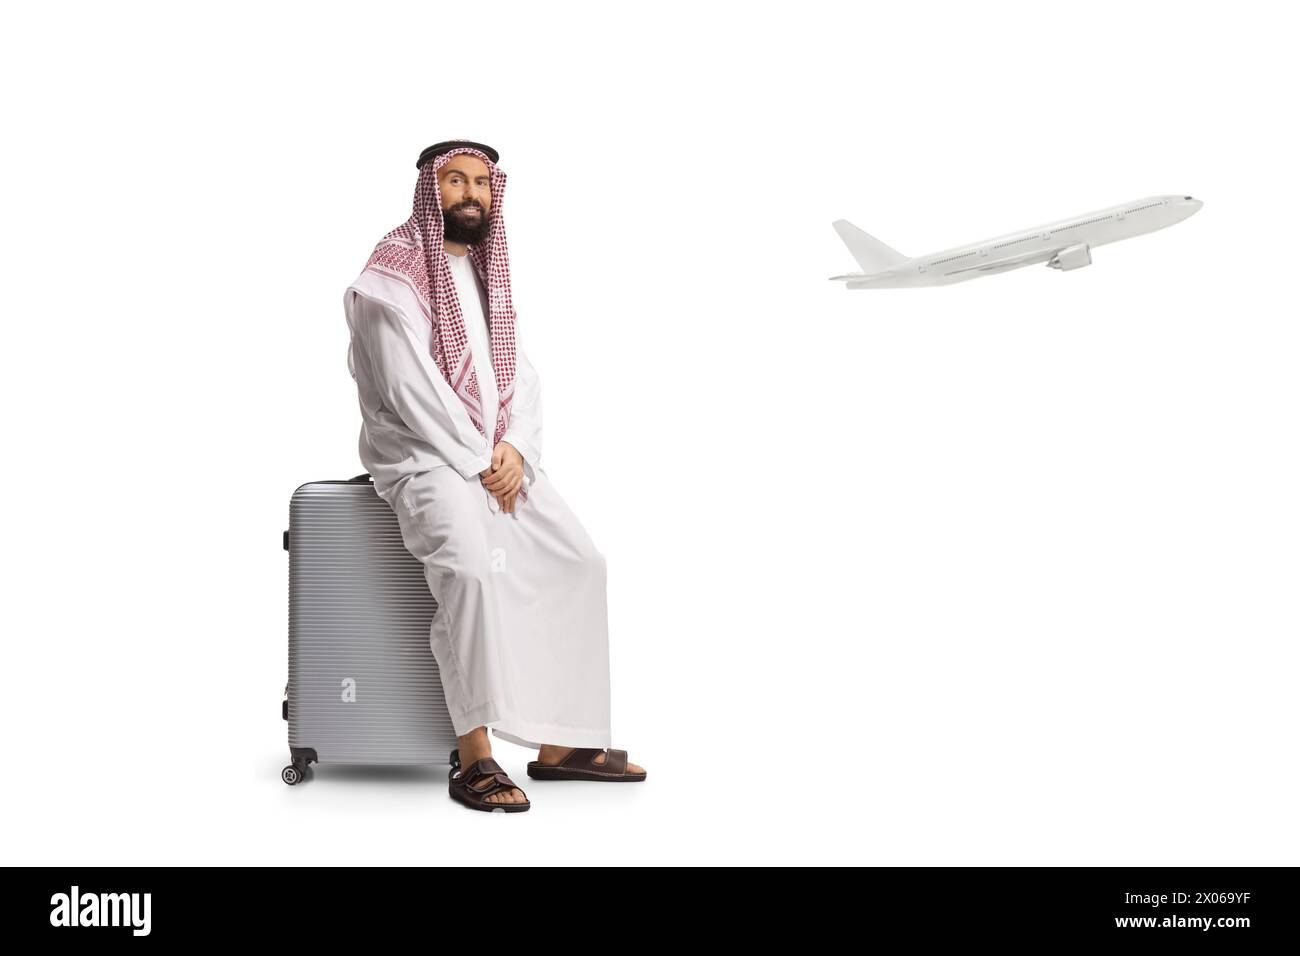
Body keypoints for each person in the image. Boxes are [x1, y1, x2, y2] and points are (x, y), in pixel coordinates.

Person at [342, 140, 644, 812]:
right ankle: (475, 756)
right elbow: (407, 390)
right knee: (472, 572)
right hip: (423, 460)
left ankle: (565, 743)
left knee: (579, 561)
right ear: (430, 190)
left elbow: (521, 378)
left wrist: (517, 450)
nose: (471, 193)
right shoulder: (390, 278)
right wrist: (481, 459)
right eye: (455, 180)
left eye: (481, 182)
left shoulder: (483, 276)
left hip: (492, 459)